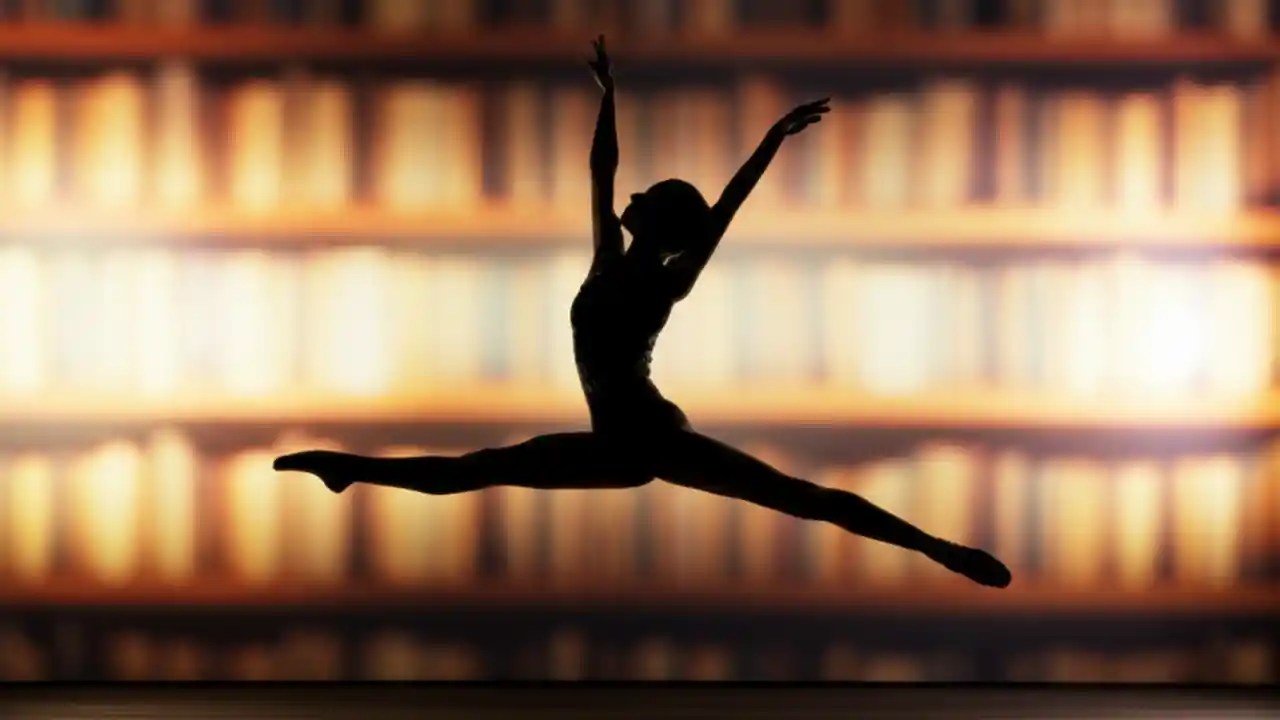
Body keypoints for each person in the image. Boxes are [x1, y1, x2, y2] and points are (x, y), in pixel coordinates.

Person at [275, 35, 1012, 589]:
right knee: (480, 468)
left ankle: (939, 549)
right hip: (618, 445)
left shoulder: (668, 283)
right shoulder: (606, 259)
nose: (628, 199)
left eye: (645, 198)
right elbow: (603, 170)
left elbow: (724, 208)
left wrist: (769, 141)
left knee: (802, 498)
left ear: (657, 224)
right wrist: (609, 96)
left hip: (654, 440)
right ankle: (350, 469)